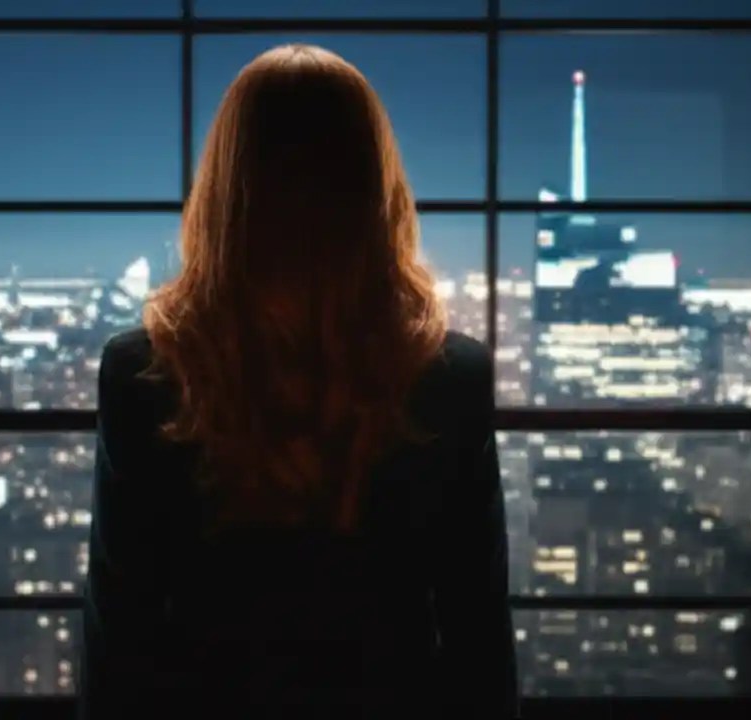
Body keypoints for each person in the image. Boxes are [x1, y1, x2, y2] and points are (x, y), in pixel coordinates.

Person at [80, 43, 517, 719]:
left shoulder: (142, 371)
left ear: (227, 190)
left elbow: (121, 620)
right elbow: (475, 625)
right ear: (372, 186)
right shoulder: (450, 375)